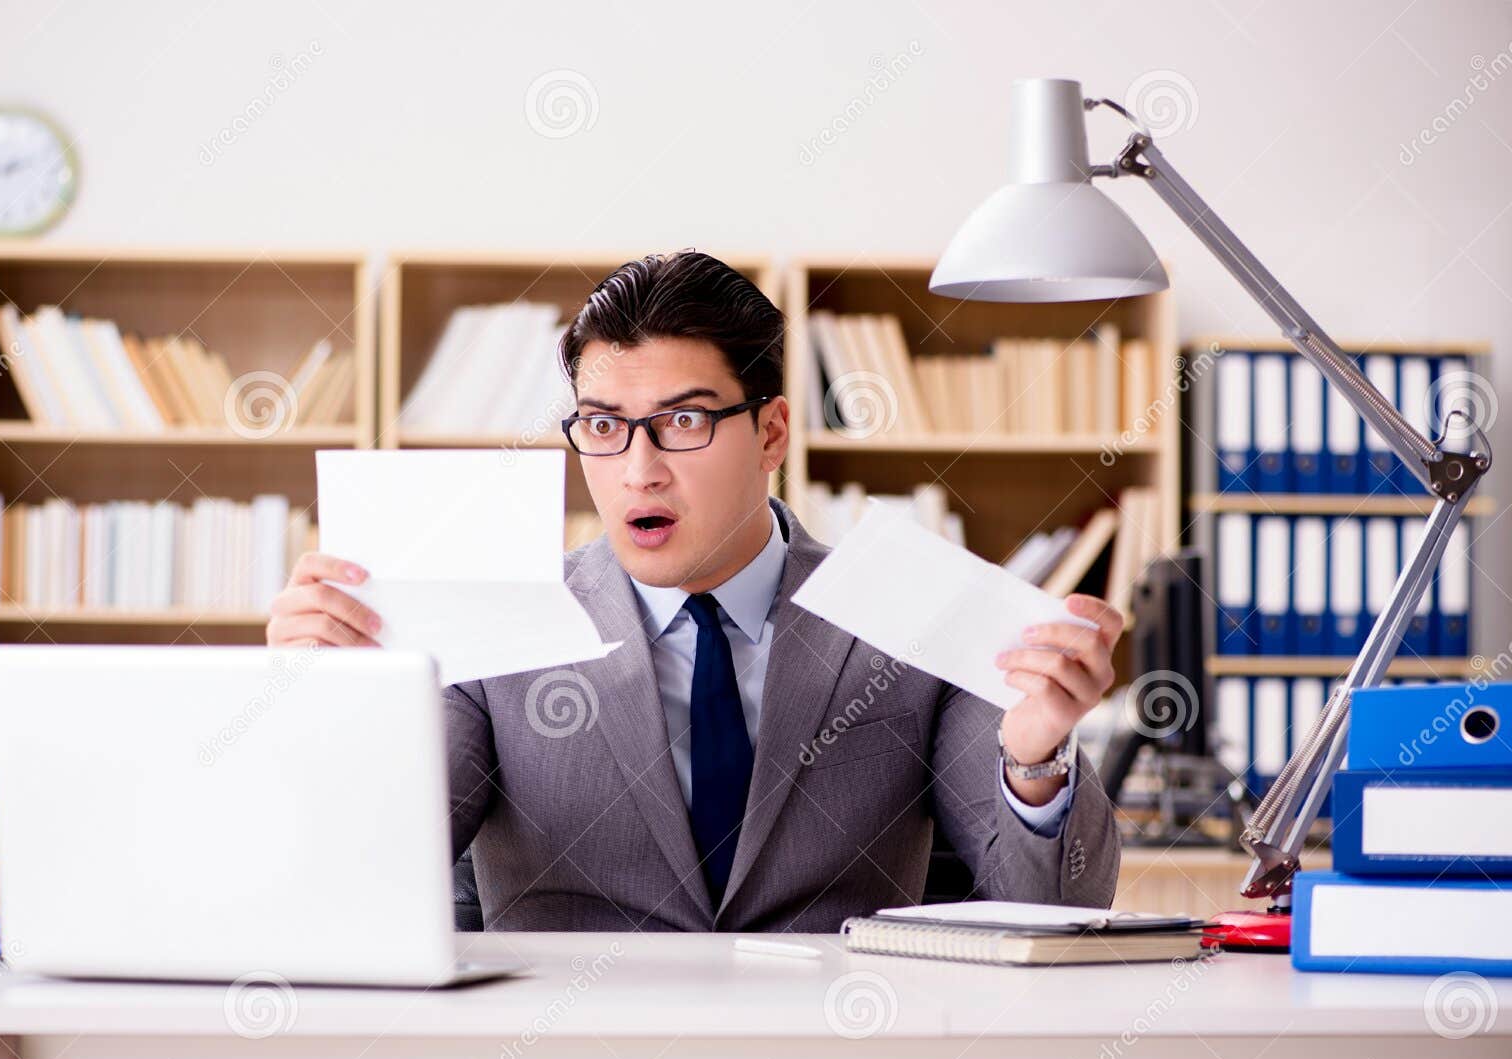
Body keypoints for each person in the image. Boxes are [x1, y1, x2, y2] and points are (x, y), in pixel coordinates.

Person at [267, 250, 1122, 932]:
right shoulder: (495, 625)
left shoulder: (908, 617)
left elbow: (1056, 915)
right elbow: (360, 897)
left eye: (684, 422)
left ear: (771, 431)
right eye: (603, 426)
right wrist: (333, 713)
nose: (640, 471)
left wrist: (1037, 758)